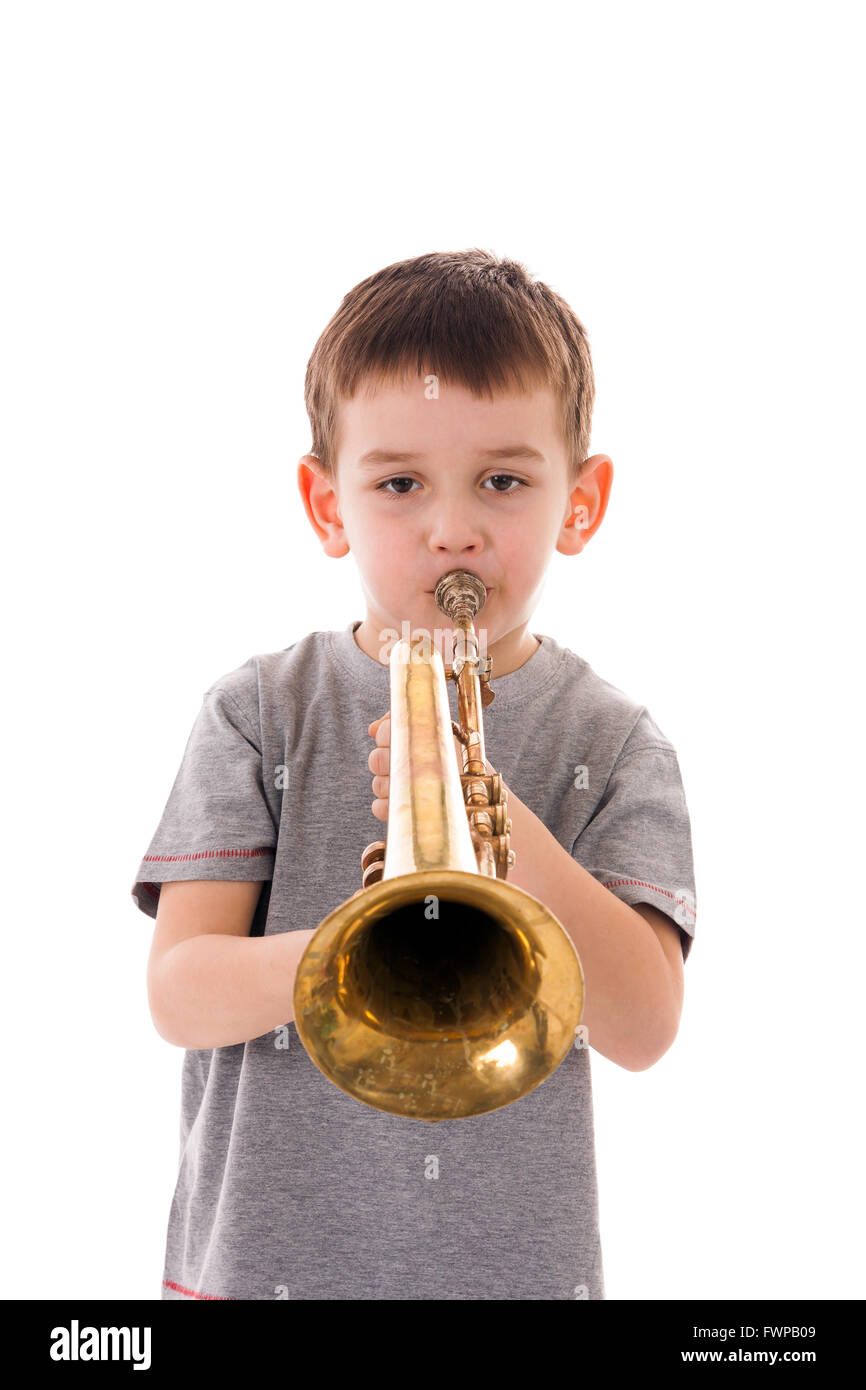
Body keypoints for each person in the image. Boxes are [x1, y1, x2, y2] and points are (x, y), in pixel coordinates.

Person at [132, 248, 697, 1301]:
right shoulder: (257, 712)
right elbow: (177, 991)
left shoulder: (614, 741)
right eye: (397, 483)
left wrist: (494, 820)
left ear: (580, 502)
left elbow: (643, 1025)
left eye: (503, 479)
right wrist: (357, 961)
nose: (452, 529)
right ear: (325, 503)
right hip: (263, 1274)